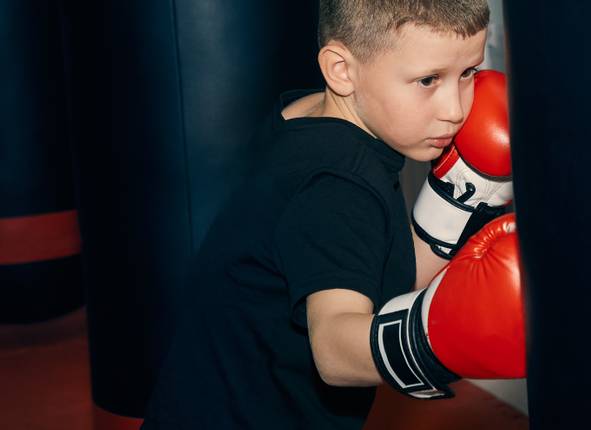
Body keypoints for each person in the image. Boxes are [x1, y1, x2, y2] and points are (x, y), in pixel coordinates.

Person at [142, 1, 524, 428]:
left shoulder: (310, 120)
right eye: (428, 80)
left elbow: (374, 273)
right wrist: (432, 340)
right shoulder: (337, 186)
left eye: (468, 72)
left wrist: (461, 197)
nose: (455, 109)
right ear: (341, 70)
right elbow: (335, 352)